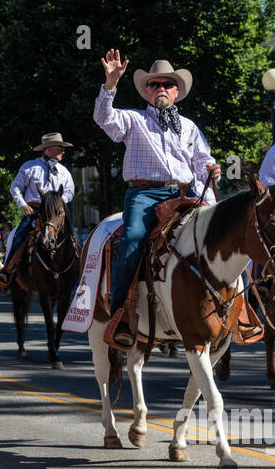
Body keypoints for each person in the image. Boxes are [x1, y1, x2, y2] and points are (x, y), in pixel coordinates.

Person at [92, 51, 220, 349]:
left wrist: (212, 173)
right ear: (147, 91)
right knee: (133, 238)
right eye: (154, 84)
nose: (160, 88)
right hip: (144, 194)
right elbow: (103, 119)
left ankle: (231, 308)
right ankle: (120, 313)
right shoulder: (133, 120)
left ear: (176, 91)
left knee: (217, 238)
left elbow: (203, 162)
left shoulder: (188, 127)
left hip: (184, 193)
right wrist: (110, 84)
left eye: (167, 84)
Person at [0, 131, 76, 291]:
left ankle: (79, 274)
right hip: (35, 212)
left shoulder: (64, 172)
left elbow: (70, 191)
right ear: (49, 149)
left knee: (74, 240)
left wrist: (57, 204)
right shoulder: (30, 167)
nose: (63, 152)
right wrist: (23, 205)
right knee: (18, 236)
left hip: (56, 215)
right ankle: (7, 271)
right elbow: (15, 187)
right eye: (60, 149)